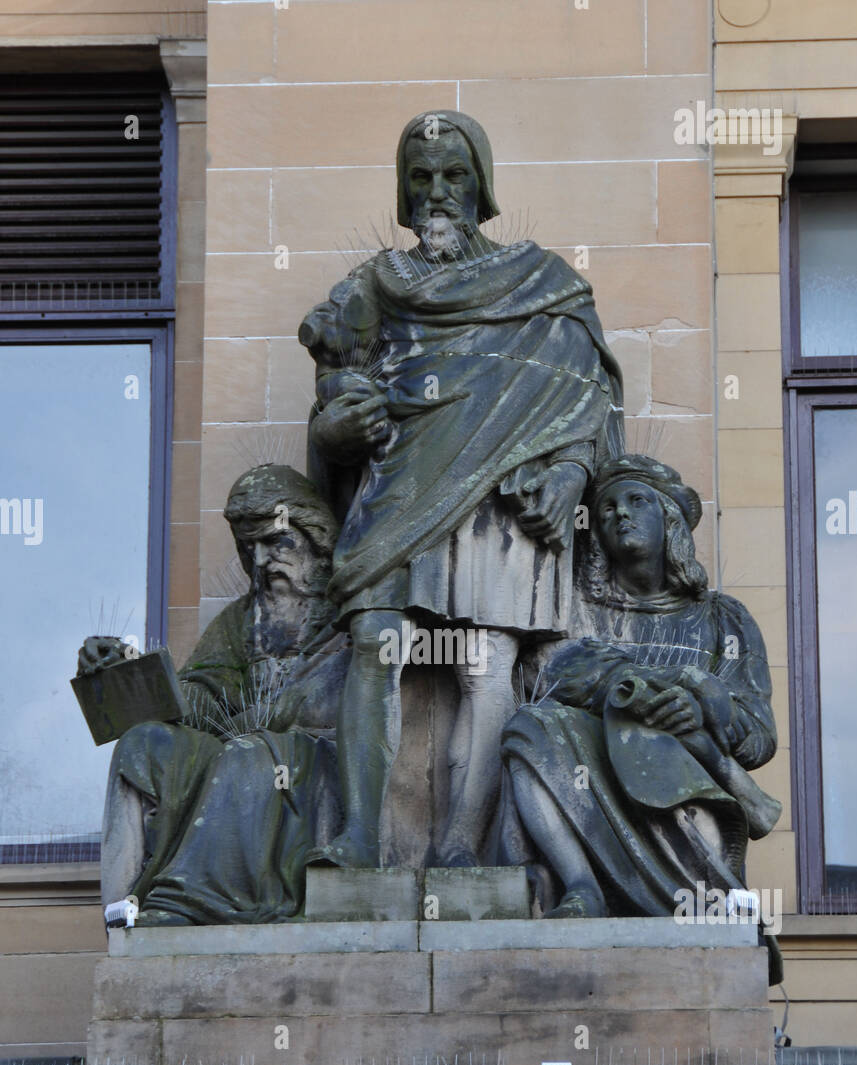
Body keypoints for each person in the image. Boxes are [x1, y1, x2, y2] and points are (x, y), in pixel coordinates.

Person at [303, 109, 625, 868]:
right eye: (420, 179)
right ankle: (356, 841)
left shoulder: (542, 281)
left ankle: (459, 855)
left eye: (453, 176)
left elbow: (589, 396)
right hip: (400, 483)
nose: (436, 193)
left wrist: (572, 474)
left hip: (501, 497)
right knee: (373, 643)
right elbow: (331, 391)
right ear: (402, 191)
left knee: (484, 664)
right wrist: (338, 431)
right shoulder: (376, 284)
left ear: (481, 186)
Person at [497, 453, 783, 978]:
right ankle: (581, 885)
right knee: (530, 728)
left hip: (686, 787)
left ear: (669, 520)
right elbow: (542, 683)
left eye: (636, 502)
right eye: (605, 510)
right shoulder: (573, 609)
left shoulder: (723, 619)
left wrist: (704, 701)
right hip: (595, 770)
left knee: (664, 748)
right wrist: (625, 690)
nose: (619, 515)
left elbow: (758, 740)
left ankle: (702, 886)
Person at [76, 465, 349, 924]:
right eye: (252, 548)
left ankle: (188, 903)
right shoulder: (241, 620)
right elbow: (200, 698)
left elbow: (350, 697)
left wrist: (270, 717)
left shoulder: (348, 611)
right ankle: (122, 915)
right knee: (143, 745)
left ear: (315, 540)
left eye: (277, 542)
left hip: (317, 758)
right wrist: (125, 673)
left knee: (248, 755)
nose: (264, 560)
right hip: (240, 749)